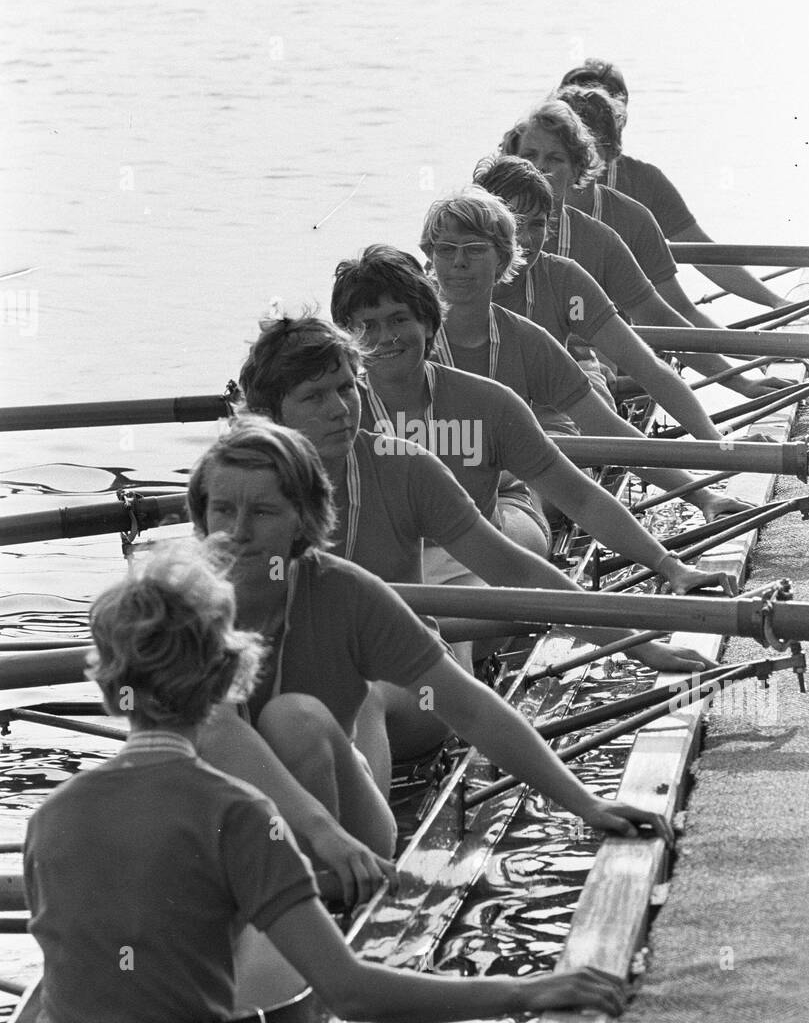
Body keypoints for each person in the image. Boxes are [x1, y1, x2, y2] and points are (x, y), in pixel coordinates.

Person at [21, 539, 633, 1023]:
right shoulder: (242, 816)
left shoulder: (47, 819)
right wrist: (525, 992)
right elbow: (351, 993)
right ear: (230, 675)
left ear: (109, 686)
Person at [236, 309, 718, 765]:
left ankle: (367, 848)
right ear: (270, 414)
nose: (340, 409)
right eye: (314, 397)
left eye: (346, 388)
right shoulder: (238, 482)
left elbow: (521, 572)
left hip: (406, 679)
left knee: (355, 696)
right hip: (292, 671)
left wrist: (640, 646)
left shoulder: (405, 465)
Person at [330, 239, 738, 603]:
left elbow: (580, 498)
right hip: (387, 571)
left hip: (478, 552)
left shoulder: (488, 402)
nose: (385, 338)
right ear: (346, 337)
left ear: (429, 321)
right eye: (367, 326)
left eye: (399, 320)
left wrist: (671, 566)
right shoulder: (332, 418)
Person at [424, 177, 752, 520]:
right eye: (448, 249)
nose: (526, 238)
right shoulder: (411, 318)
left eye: (537, 224)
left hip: (545, 440)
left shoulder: (542, 316)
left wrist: (711, 470)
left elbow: (630, 394)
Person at [491, 113, 760, 439]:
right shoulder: (466, 249)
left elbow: (664, 327)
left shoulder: (597, 243)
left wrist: (738, 385)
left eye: (554, 159)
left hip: (576, 382)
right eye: (529, 156)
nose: (539, 169)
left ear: (578, 169)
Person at [555, 88, 796, 399]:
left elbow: (674, 312)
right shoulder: (511, 217)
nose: (545, 169)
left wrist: (744, 373)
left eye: (560, 155)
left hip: (604, 365)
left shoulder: (630, 213)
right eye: (535, 154)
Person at [558, 57, 789, 310]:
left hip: (627, 322)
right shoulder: (530, 181)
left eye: (600, 109)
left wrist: (775, 301)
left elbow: (702, 254)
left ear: (619, 114)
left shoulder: (644, 182)